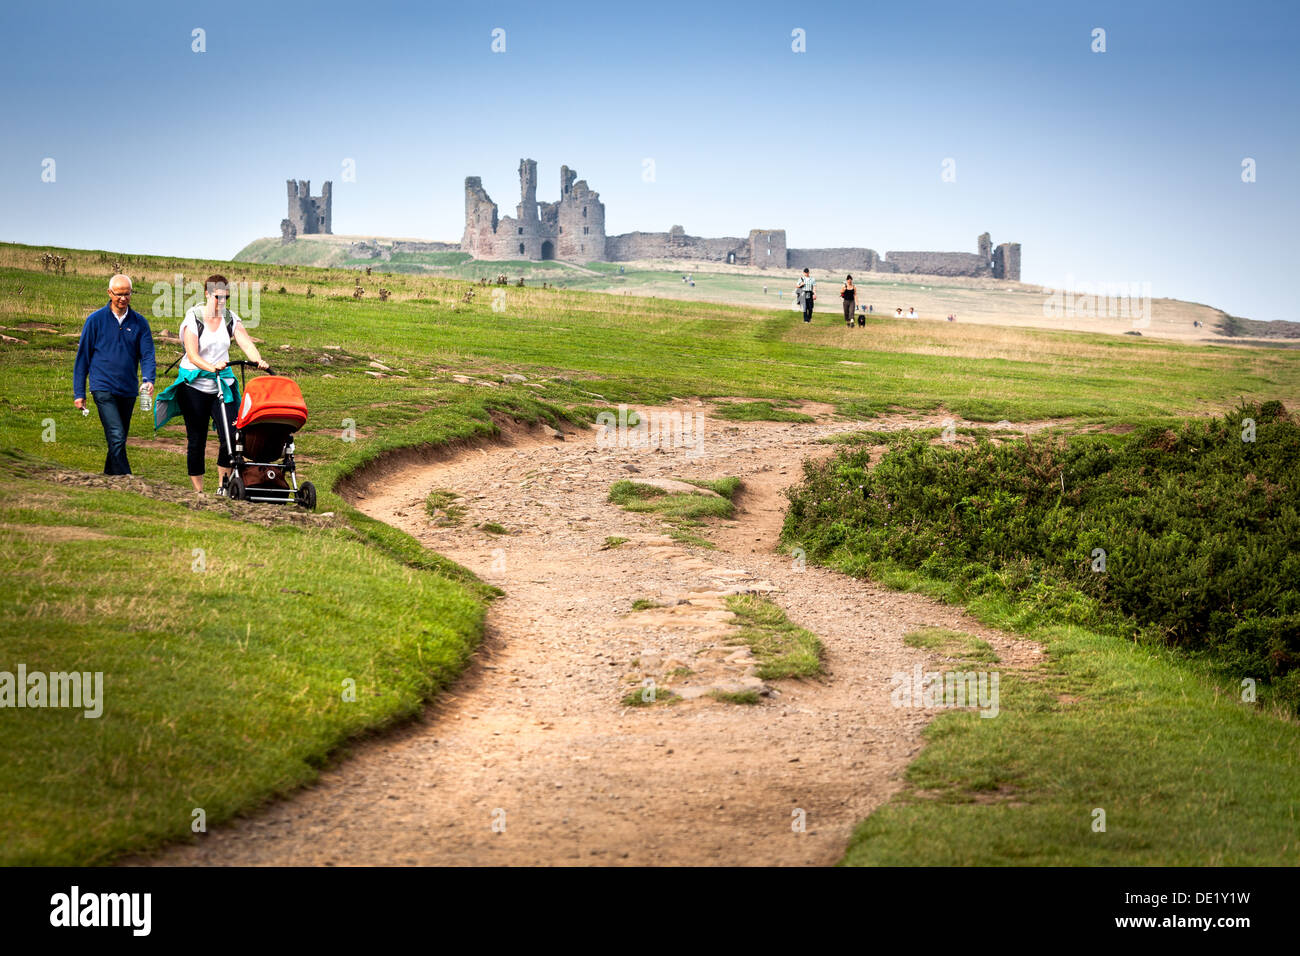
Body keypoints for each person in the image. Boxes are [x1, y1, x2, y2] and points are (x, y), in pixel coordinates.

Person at [155, 276, 269, 495]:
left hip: (222, 384)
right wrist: (210, 367)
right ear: (207, 294)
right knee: (197, 439)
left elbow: (245, 342)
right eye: (218, 297)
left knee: (232, 435)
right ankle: (198, 491)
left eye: (226, 297)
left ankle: (222, 487)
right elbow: (192, 354)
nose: (222, 302)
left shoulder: (230, 318)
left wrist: (258, 360)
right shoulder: (193, 318)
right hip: (195, 385)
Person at [72, 274, 156, 475]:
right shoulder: (94, 321)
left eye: (127, 294)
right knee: (117, 435)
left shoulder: (139, 323)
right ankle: (126, 477)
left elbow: (147, 354)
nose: (123, 298)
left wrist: (148, 379)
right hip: (102, 387)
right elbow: (82, 357)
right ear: (109, 293)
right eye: (119, 294)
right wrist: (79, 393)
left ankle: (109, 478)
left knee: (118, 437)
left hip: (127, 390)